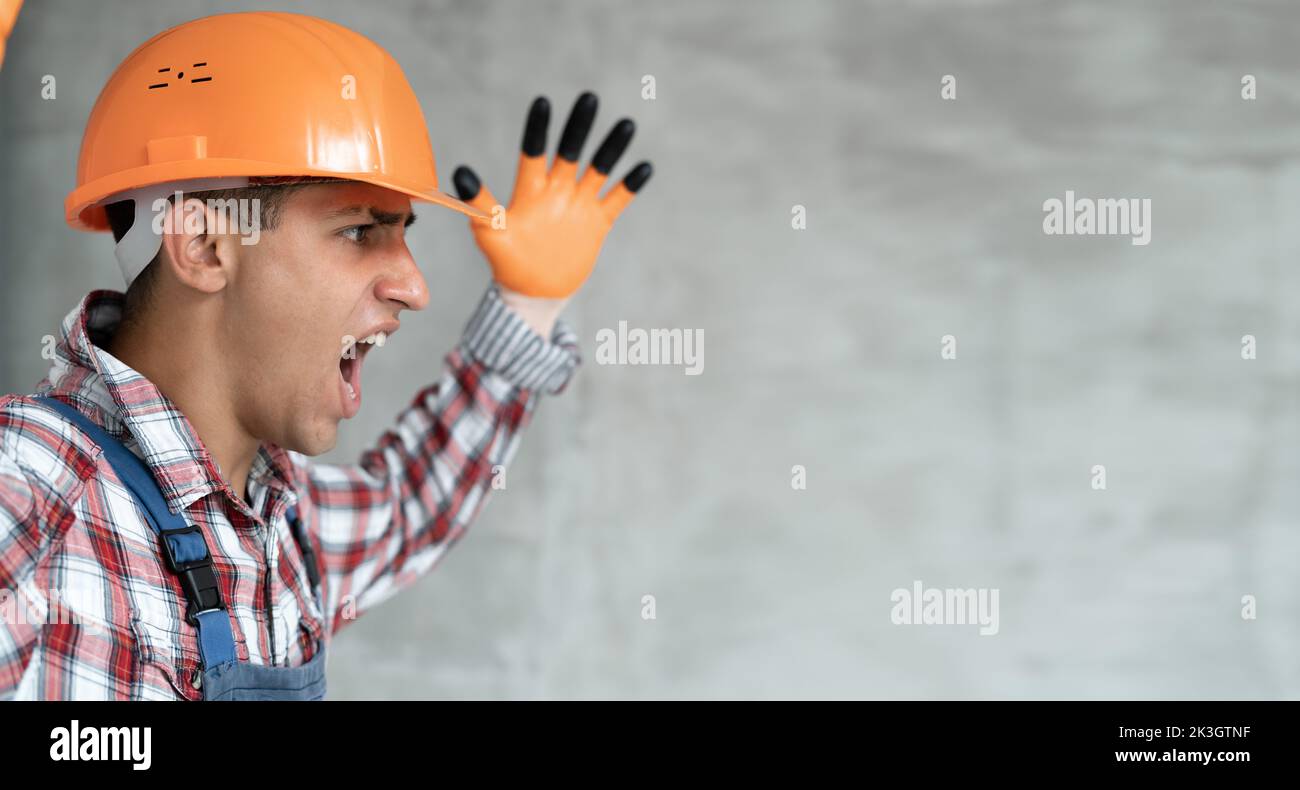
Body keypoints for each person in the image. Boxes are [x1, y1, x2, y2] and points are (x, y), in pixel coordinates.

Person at [0, 11, 651, 700]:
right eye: (360, 230)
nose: (415, 287)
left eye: (402, 233)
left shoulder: (281, 524)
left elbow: (409, 505)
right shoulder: (31, 486)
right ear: (204, 246)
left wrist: (529, 303)